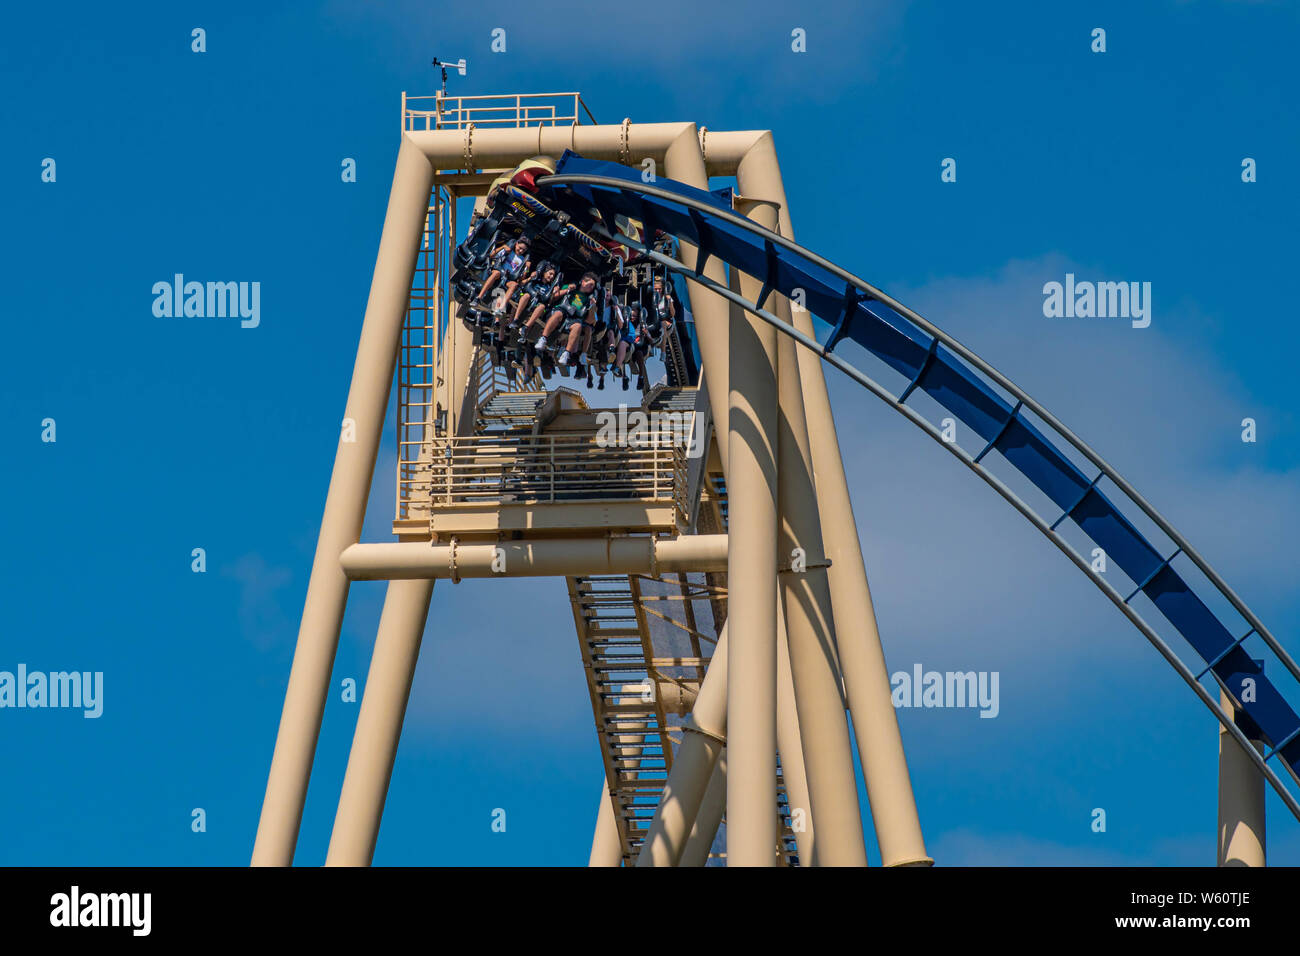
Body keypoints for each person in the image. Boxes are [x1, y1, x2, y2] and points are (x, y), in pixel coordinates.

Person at [536, 272, 599, 365]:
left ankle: (566, 353)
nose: (591, 287)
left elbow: (590, 321)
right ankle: (543, 338)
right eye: (590, 284)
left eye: (592, 287)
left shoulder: (588, 299)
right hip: (561, 311)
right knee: (558, 314)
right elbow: (554, 297)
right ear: (582, 282)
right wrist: (567, 289)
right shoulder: (570, 287)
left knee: (578, 326)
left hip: (574, 318)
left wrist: (593, 306)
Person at [503, 260, 561, 341]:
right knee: (526, 295)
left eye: (553, 276)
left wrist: (553, 294)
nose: (551, 276)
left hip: (536, 305)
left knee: (542, 306)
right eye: (550, 274)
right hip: (526, 300)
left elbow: (549, 302)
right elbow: (521, 284)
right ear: (544, 273)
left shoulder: (548, 287)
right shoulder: (536, 280)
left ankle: (526, 327)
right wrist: (530, 277)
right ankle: (516, 319)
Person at [474, 235, 531, 315]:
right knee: (496, 273)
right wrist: (503, 247)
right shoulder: (508, 251)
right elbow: (491, 255)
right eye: (520, 248)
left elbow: (521, 279)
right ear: (516, 244)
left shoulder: (522, 260)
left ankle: (500, 309)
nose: (521, 251)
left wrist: (527, 268)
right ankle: (479, 298)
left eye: (523, 250)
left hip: (508, 279)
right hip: (498, 273)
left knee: (514, 285)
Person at [650, 274, 677, 350]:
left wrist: (669, 302)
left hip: (666, 320)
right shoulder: (651, 297)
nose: (658, 291)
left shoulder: (666, 298)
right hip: (654, 319)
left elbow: (673, 314)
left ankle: (663, 351)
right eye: (656, 289)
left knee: (663, 324)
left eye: (660, 289)